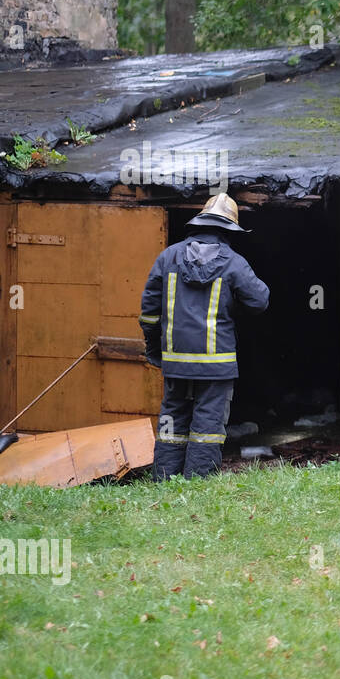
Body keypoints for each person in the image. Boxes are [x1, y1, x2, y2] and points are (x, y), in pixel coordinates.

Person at [139, 193, 269, 479]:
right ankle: (197, 481)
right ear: (228, 230)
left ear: (198, 224)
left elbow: (149, 314)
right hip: (216, 364)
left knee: (173, 419)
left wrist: (154, 350)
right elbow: (260, 302)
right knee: (208, 423)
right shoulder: (234, 263)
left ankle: (164, 478)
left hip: (175, 362)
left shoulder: (167, 257)